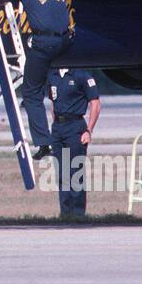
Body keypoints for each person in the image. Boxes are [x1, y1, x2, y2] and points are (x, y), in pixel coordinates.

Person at [0, 0, 74, 160]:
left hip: (44, 44)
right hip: (65, 42)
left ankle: (44, 144)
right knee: (51, 83)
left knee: (31, 94)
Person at [48, 67, 101, 218]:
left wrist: (89, 130)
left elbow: (96, 104)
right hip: (58, 127)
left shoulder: (82, 75)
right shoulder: (52, 76)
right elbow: (53, 103)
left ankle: (78, 213)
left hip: (75, 126)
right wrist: (56, 125)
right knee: (61, 172)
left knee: (75, 172)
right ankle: (65, 213)